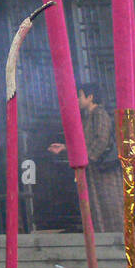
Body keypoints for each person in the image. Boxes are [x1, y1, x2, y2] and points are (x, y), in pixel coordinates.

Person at [47, 84, 123, 233]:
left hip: (104, 171)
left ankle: (116, 239)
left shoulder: (99, 114)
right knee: (96, 206)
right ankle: (101, 237)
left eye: (80, 96)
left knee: (109, 205)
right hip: (93, 169)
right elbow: (84, 143)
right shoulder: (88, 117)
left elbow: (101, 140)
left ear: (90, 97)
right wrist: (64, 147)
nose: (77, 99)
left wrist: (87, 159)